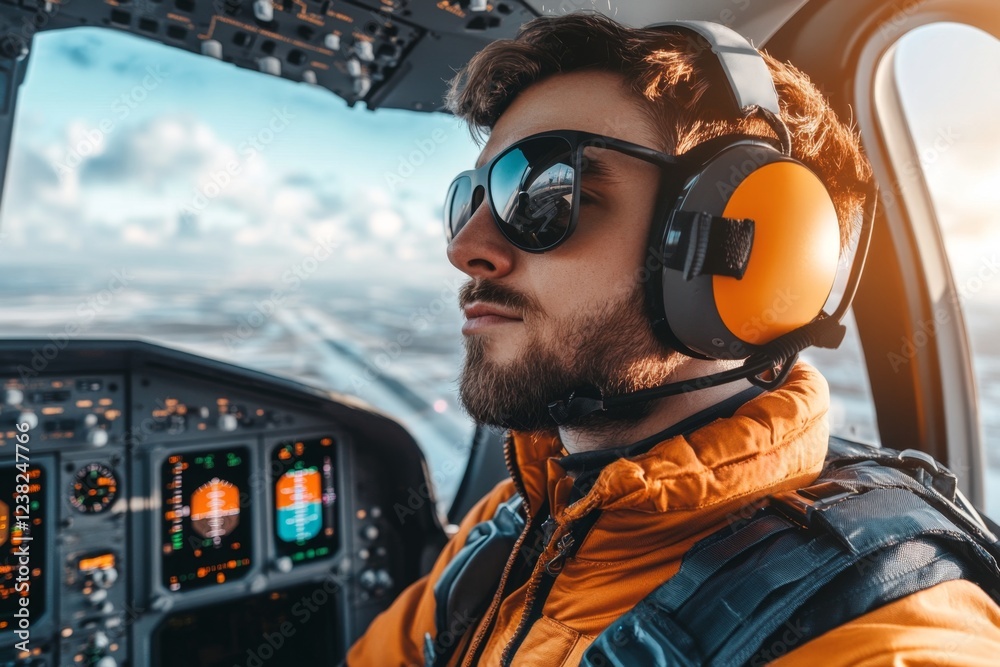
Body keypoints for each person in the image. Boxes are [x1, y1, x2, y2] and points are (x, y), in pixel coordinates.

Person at [347, 12, 1000, 666]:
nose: (466, 249)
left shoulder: (877, 629)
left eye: (544, 191)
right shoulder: (521, 517)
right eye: (471, 197)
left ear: (748, 249)